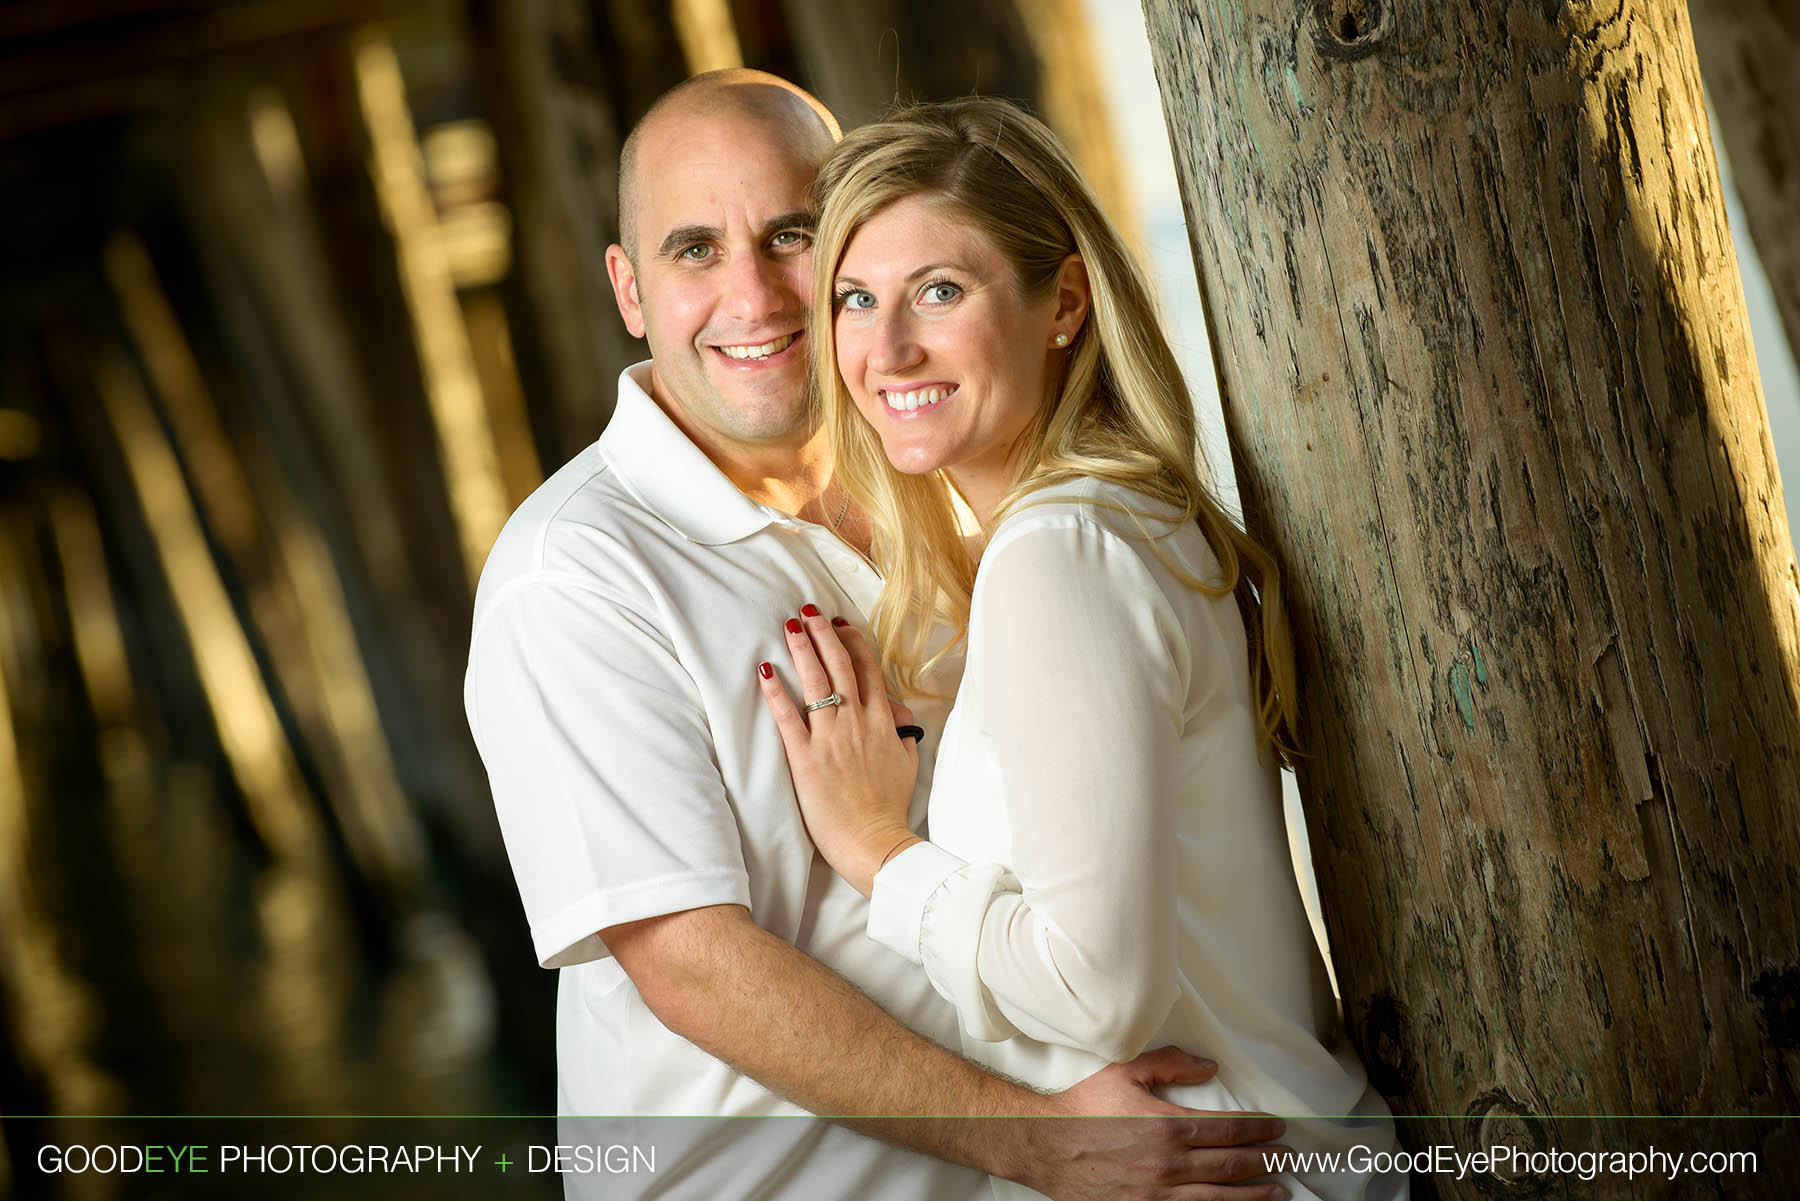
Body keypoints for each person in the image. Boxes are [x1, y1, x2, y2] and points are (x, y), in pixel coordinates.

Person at [465, 69, 1293, 1201]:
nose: (754, 296)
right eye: (694, 249)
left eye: (792, 234)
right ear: (628, 287)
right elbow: (692, 964)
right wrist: (1036, 1138)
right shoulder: (573, 574)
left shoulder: (955, 486)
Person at [755, 98, 1408, 1201]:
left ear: (1063, 302)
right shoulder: (1128, 517)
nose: (887, 348)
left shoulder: (1059, 556)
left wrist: (876, 849)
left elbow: (1094, 989)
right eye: (856, 301)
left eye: (941, 292)